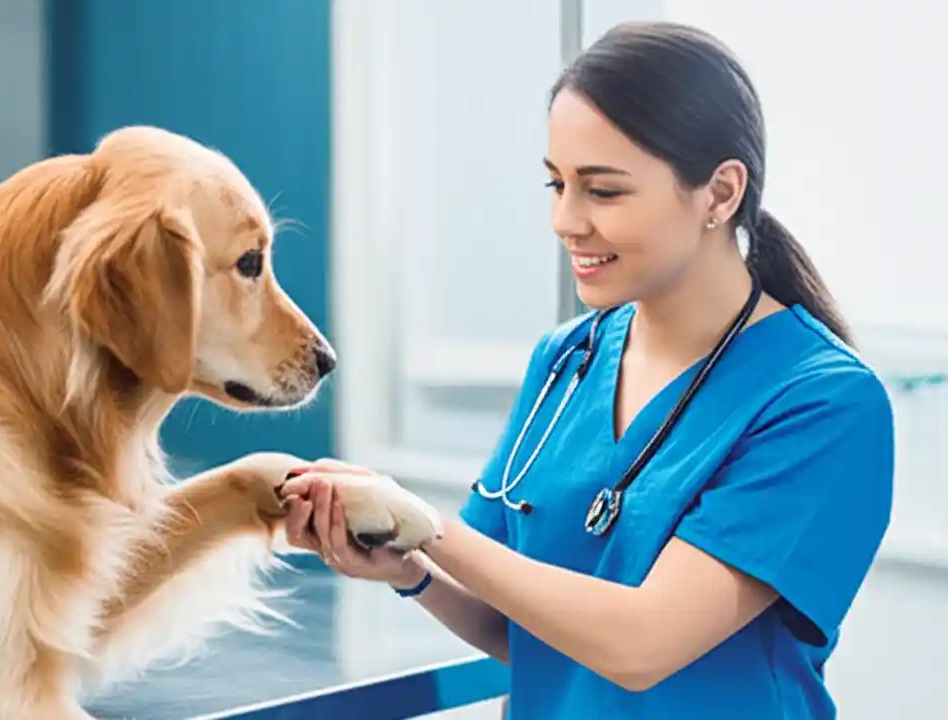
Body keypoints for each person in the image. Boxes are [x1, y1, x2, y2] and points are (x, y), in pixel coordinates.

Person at [278, 20, 894, 719]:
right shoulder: (567, 360)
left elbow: (641, 644)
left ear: (719, 194)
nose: (566, 220)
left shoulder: (822, 404)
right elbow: (524, 629)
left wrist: (425, 526)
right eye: (556, 183)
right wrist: (410, 569)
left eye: (603, 192)